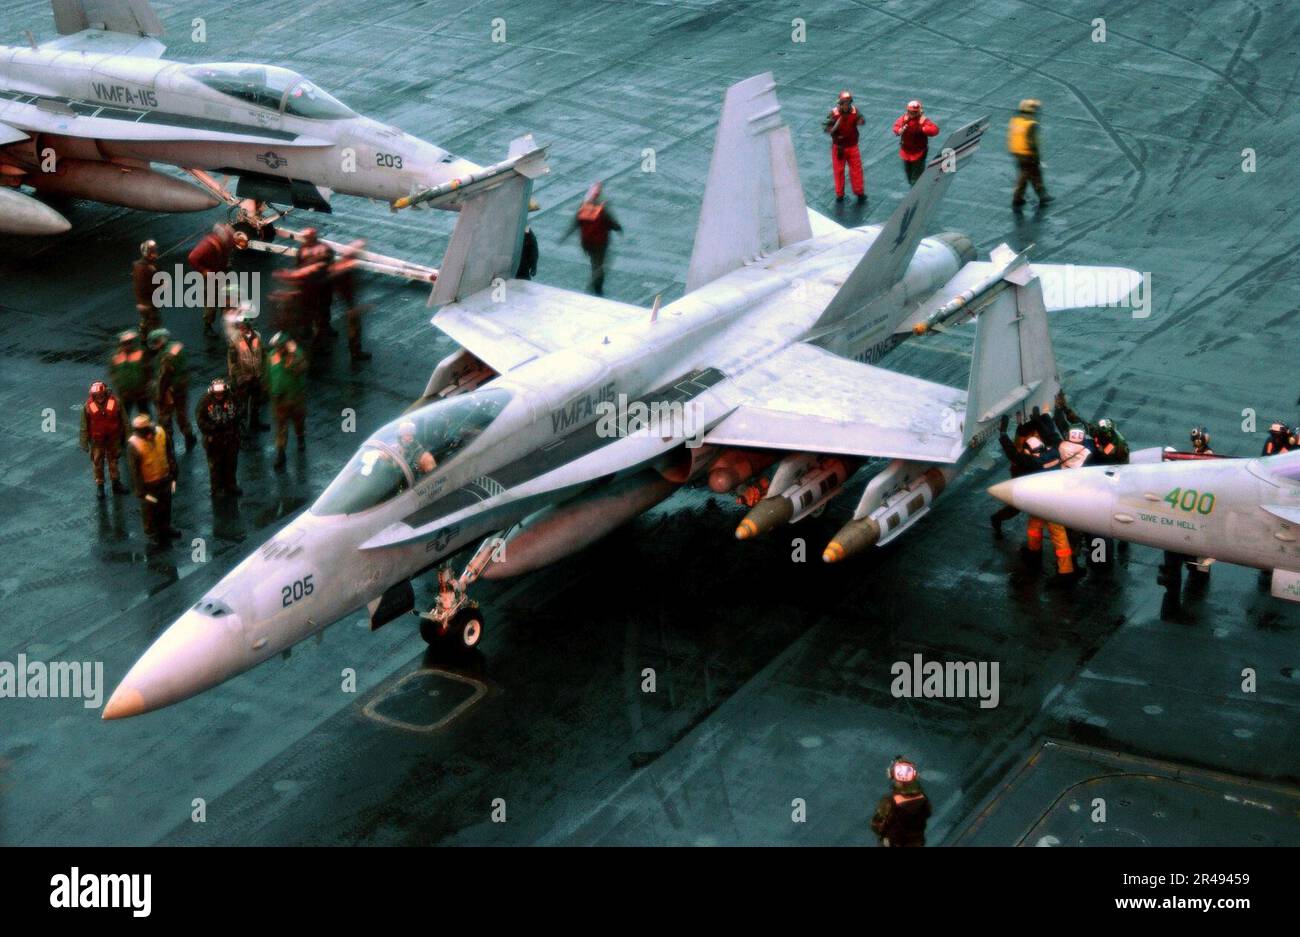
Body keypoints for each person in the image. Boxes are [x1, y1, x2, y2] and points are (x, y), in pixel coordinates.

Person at [126, 413, 178, 550]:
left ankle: (165, 527)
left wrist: (173, 473)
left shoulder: (160, 433)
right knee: (149, 511)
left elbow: (169, 453)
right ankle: (152, 533)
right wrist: (141, 491)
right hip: (148, 484)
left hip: (164, 477)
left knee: (166, 505)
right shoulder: (134, 444)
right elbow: (134, 471)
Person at [561, 182, 622, 296]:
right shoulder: (601, 210)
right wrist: (619, 228)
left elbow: (576, 222)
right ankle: (596, 286)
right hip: (600, 243)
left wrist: (565, 235)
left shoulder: (583, 207)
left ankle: (596, 283)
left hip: (587, 243)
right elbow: (611, 223)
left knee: (594, 263)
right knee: (600, 265)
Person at [148, 328, 197, 452]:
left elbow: (164, 378)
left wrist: (159, 395)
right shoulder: (176, 346)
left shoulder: (165, 356)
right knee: (182, 415)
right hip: (181, 387)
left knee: (165, 419)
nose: (154, 345)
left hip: (169, 391)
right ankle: (189, 437)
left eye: (155, 342)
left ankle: (168, 444)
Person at [80, 381, 128, 499]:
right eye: (97, 395)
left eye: (101, 394)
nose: (100, 397)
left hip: (113, 438)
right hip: (97, 441)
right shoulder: (87, 406)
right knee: (98, 464)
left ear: (105, 392)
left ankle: (116, 484)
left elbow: (125, 421)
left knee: (114, 461)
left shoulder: (116, 402)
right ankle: (100, 487)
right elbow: (84, 426)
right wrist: (84, 442)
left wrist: (128, 436)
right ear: (93, 395)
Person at [267, 332, 308, 470]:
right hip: (279, 398)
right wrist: (268, 389)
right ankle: (281, 453)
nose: (278, 349)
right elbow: (268, 372)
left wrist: (291, 357)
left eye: (280, 346)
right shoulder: (272, 355)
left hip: (295, 395)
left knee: (298, 419)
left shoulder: (297, 353)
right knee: (280, 426)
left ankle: (300, 437)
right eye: (276, 347)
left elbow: (301, 369)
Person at [188, 223, 237, 336]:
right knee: (211, 304)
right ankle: (208, 327)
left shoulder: (224, 243)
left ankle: (229, 321)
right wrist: (204, 270)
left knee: (228, 299)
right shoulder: (207, 245)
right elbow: (192, 258)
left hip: (222, 273)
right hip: (211, 278)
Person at [227, 305, 269, 437]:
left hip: (256, 376)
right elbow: (232, 363)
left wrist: (264, 374)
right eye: (241, 324)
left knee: (256, 402)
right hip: (243, 379)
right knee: (242, 406)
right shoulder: (234, 341)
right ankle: (241, 429)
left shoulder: (257, 336)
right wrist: (238, 378)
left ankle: (255, 423)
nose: (243, 327)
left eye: (245, 324)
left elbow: (263, 355)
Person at [196, 378, 242, 497]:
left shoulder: (232, 397)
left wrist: (234, 422)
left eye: (221, 392)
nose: (219, 395)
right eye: (217, 393)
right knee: (216, 465)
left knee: (231, 462)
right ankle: (216, 489)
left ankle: (231, 485)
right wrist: (213, 428)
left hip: (231, 437)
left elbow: (240, 409)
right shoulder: (205, 401)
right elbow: (200, 420)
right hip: (214, 439)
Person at [870, 757, 931, 847]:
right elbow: (928, 813)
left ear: (892, 775)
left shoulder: (889, 802)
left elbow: (876, 825)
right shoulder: (923, 798)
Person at [329, 240, 371, 362]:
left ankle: (355, 350)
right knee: (354, 326)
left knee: (354, 325)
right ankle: (355, 352)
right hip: (349, 301)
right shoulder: (348, 267)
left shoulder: (339, 265)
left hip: (344, 299)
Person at [1007, 99, 1051, 209]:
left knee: (1029, 175)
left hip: (1017, 153)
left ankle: (1040, 195)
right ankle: (1018, 198)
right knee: (1029, 175)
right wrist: (1037, 157)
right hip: (1028, 154)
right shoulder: (1031, 124)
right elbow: (1033, 143)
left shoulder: (1016, 121)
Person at [823, 90, 866, 203]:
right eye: (844, 103)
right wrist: (830, 128)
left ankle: (859, 192)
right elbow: (825, 125)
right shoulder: (834, 113)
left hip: (852, 146)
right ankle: (839, 194)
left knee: (856, 170)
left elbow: (861, 119)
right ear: (840, 104)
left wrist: (860, 121)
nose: (846, 105)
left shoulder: (855, 111)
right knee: (839, 171)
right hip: (839, 147)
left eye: (848, 103)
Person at [295, 227, 336, 338]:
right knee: (314, 307)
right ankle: (312, 328)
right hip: (317, 285)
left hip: (317, 285)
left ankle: (318, 328)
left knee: (319, 307)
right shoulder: (323, 248)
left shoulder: (304, 250)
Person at [892, 100, 939, 186]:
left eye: (914, 112)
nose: (912, 114)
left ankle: (918, 190)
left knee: (916, 177)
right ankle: (915, 187)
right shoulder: (903, 119)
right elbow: (896, 127)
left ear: (918, 112)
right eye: (910, 112)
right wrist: (899, 130)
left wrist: (924, 129)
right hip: (905, 152)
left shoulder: (923, 121)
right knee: (909, 175)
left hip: (919, 153)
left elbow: (935, 130)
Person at [109, 329, 150, 417]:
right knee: (124, 417)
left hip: (141, 393)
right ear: (121, 344)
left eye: (130, 342)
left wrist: (146, 387)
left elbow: (149, 371)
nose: (128, 345)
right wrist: (119, 388)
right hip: (125, 394)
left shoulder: (141, 354)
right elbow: (113, 374)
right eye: (125, 343)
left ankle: (145, 430)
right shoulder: (116, 357)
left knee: (144, 416)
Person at [132, 239, 162, 336]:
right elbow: (147, 287)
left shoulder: (142, 266)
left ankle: (143, 337)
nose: (155, 254)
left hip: (144, 302)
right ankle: (155, 344)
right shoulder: (144, 268)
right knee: (155, 325)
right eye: (152, 252)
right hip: (147, 303)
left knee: (146, 321)